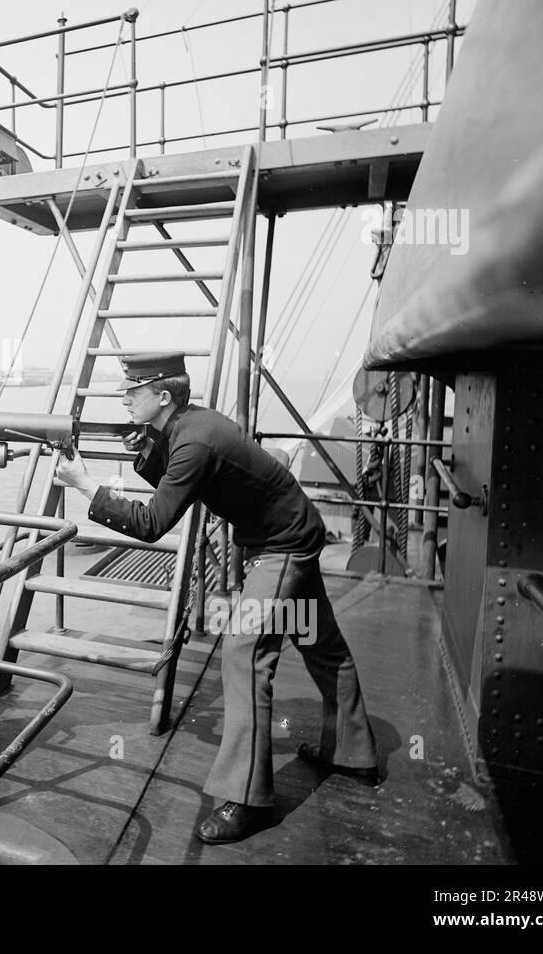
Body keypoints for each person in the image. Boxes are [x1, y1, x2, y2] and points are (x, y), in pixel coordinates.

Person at [54, 351, 379, 844]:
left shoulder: (195, 440)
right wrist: (145, 450)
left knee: (244, 652)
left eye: (132, 392)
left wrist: (85, 486)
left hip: (282, 546)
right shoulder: (188, 425)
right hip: (286, 533)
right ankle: (353, 754)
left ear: (162, 397)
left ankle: (248, 799)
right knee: (321, 644)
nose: (124, 398)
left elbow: (151, 522)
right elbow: (179, 484)